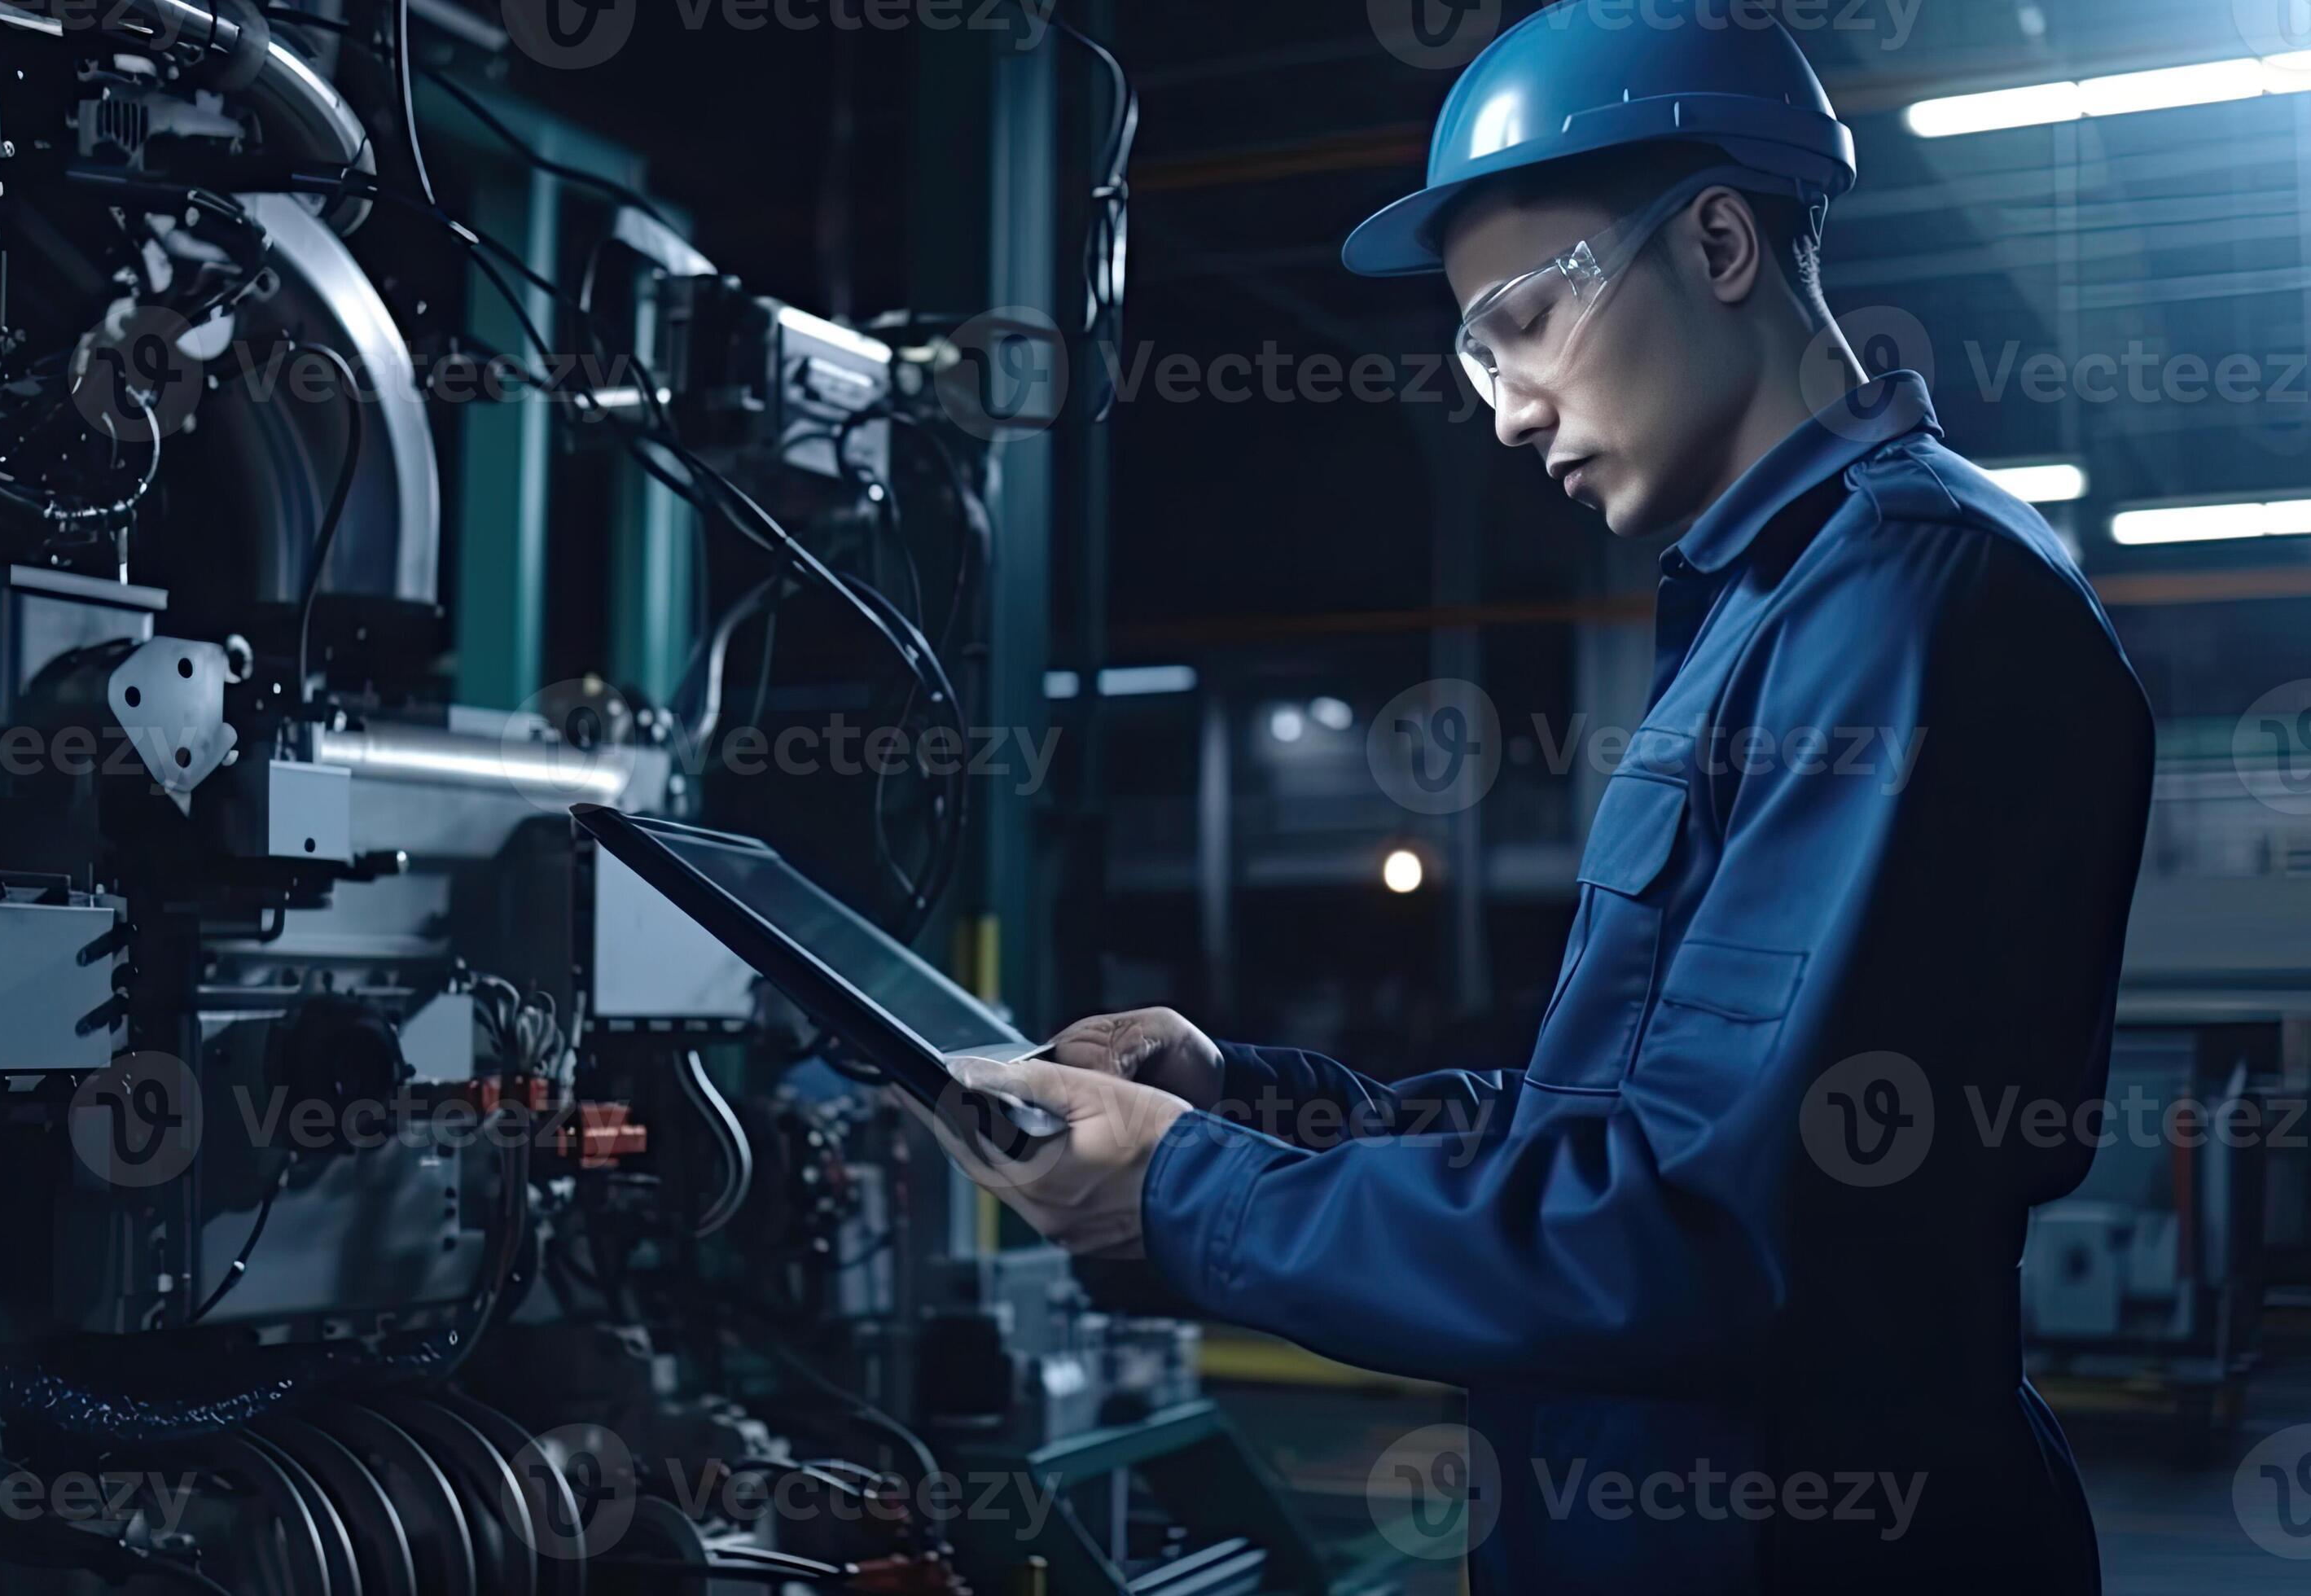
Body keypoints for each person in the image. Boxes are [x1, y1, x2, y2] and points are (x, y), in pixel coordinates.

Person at [902, 4, 2155, 1591]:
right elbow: (1622, 1134)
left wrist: (1188, 1188)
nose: (1502, 409)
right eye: (1472, 355)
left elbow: (1701, 1234)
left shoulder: (1899, 605)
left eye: (1526, 320)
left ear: (1715, 242)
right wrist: (1246, 1106)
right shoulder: (1773, 606)